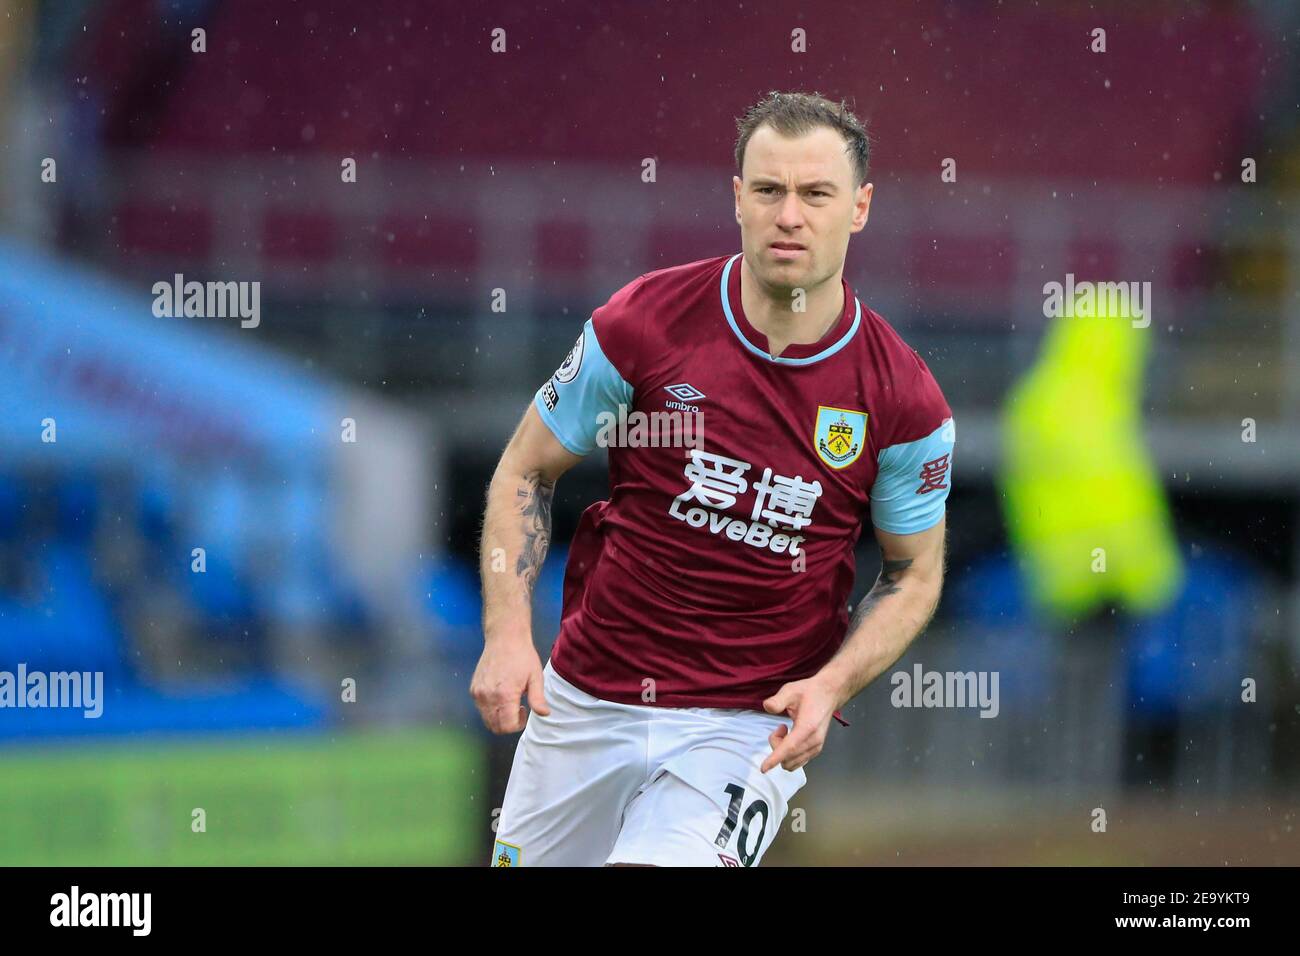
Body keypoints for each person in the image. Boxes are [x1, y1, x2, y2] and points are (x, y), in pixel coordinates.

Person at [472, 91, 954, 867]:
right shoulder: (642, 325)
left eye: (815, 193)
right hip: (588, 696)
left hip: (742, 725)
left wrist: (831, 686)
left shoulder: (902, 399)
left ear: (859, 207)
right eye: (768, 190)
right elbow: (525, 471)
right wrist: (504, 637)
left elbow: (915, 573)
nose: (788, 215)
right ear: (737, 197)